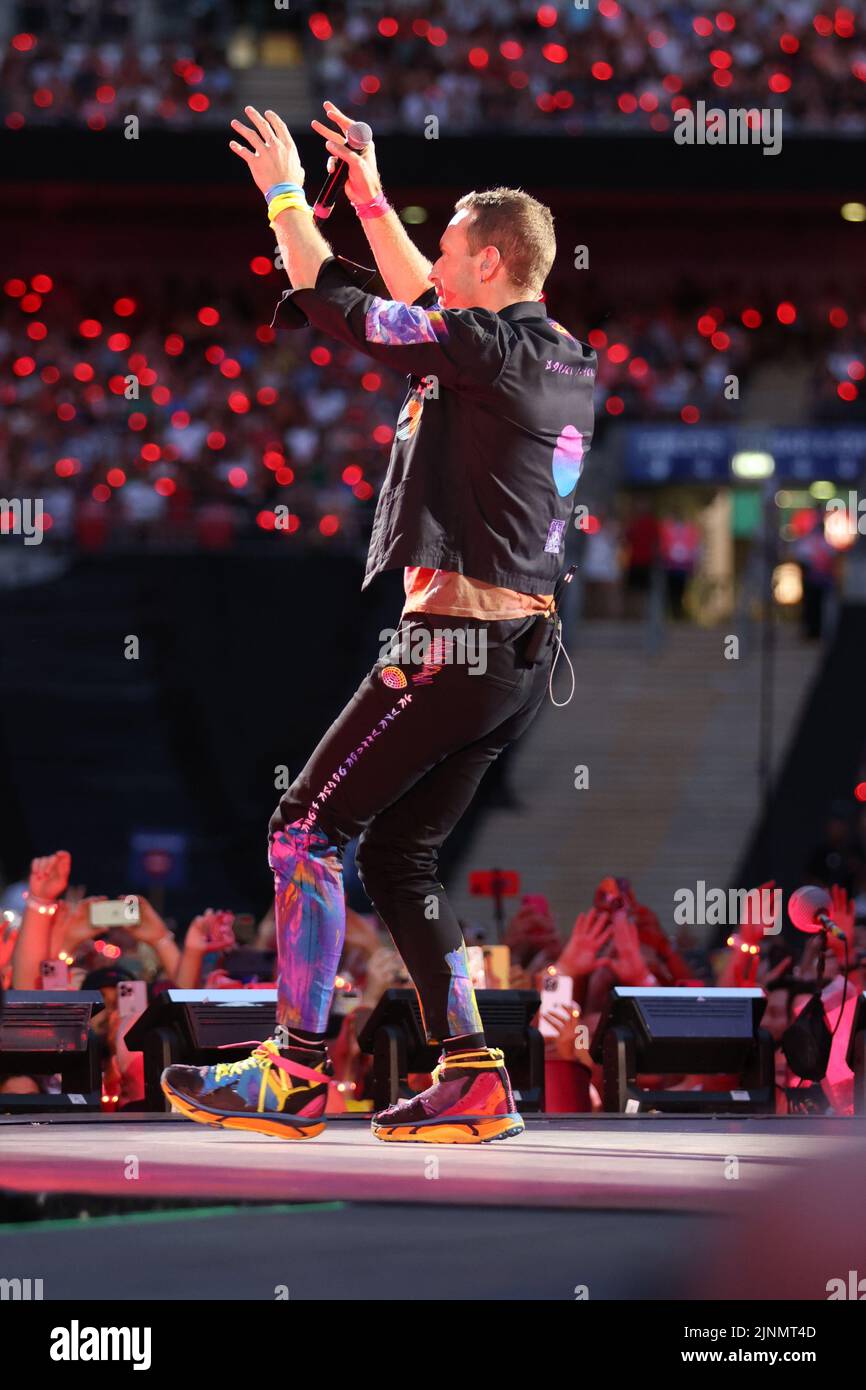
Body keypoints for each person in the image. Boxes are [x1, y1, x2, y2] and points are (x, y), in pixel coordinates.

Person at [161, 101, 596, 1144]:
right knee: (399, 856)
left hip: (452, 645)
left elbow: (336, 299)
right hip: (513, 655)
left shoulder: (484, 350)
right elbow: (419, 301)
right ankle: (474, 1075)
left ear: (487, 262)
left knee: (304, 830)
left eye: (444, 247)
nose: (428, 261)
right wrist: (360, 192)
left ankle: (297, 1071)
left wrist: (281, 194)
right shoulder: (547, 350)